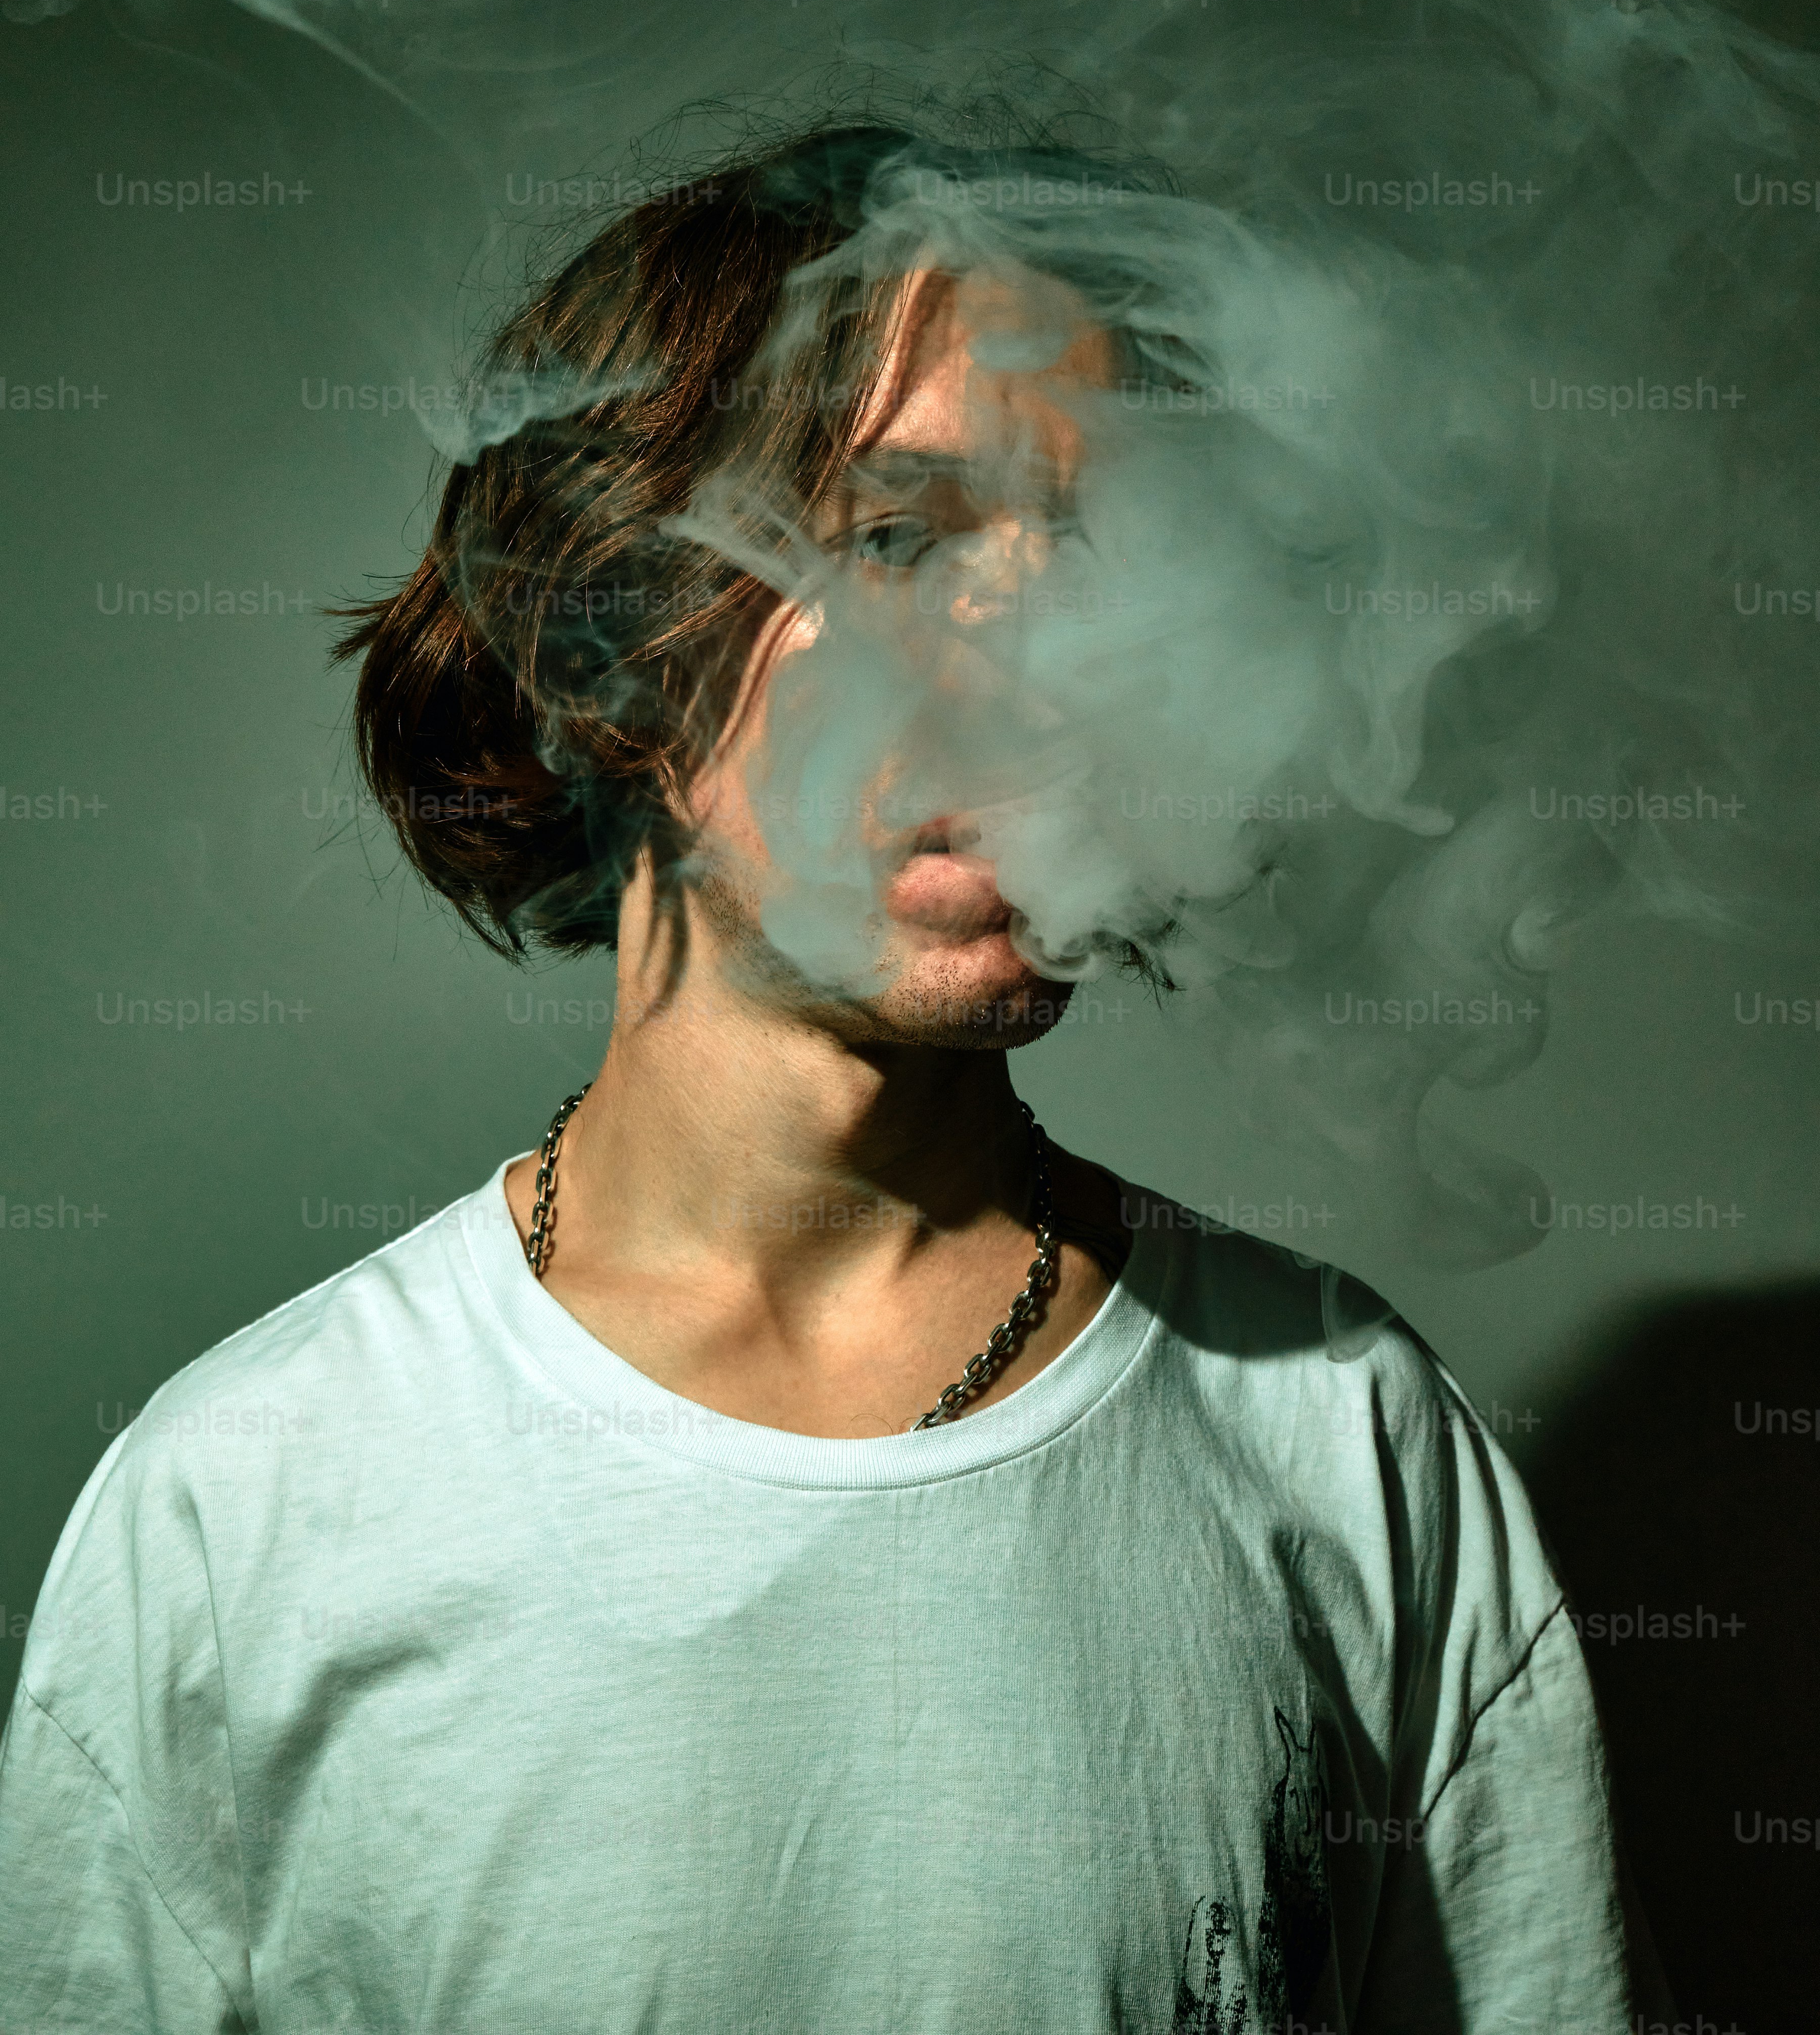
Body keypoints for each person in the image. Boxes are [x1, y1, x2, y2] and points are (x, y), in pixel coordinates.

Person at [0, 127, 1669, 2031]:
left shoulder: (1347, 1438)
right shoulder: (248, 1502)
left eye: (1114, 561)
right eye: (899, 535)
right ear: (611, 638)